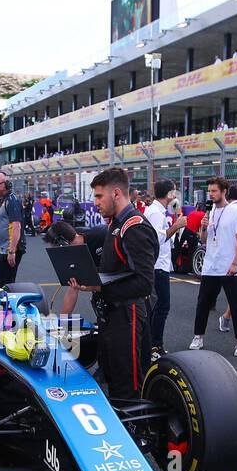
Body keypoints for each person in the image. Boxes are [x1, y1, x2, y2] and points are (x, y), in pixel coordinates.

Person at [68, 168, 158, 399]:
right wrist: (87, 276)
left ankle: (135, 433)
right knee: (109, 376)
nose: (95, 202)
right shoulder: (115, 224)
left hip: (128, 315)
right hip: (110, 314)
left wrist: (99, 286)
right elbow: (114, 270)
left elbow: (144, 283)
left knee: (126, 385)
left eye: (99, 196)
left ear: (116, 193)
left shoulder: (135, 226)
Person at [189, 177, 237, 357]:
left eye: (214, 191)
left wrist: (235, 263)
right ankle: (198, 336)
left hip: (230, 266)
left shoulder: (236, 211)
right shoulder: (211, 211)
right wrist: (204, 228)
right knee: (203, 303)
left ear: (224, 192)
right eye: (209, 191)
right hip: (211, 265)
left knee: (236, 304)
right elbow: (203, 240)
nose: (211, 194)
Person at [144, 179, 184, 357]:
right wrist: (176, 226)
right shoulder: (155, 213)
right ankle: (155, 346)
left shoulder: (159, 211)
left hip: (160, 264)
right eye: (174, 191)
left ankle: (152, 345)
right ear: (169, 194)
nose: (175, 195)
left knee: (158, 306)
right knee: (161, 306)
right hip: (157, 266)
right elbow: (157, 239)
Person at [0, 172, 24, 286]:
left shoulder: (11, 201)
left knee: (3, 284)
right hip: (5, 249)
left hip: (9, 249)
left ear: (7, 185)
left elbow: (16, 226)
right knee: (3, 283)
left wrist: (12, 251)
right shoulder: (5, 200)